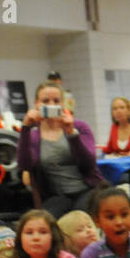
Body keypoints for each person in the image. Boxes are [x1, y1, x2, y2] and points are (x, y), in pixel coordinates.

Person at [17, 80, 106, 217]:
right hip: (56, 196)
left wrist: (71, 133)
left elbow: (88, 163)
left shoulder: (80, 127)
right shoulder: (34, 136)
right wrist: (25, 128)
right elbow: (25, 164)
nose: (51, 105)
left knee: (80, 219)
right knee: (48, 222)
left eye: (56, 101)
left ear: (62, 104)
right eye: (45, 101)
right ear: (36, 104)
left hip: (87, 190)